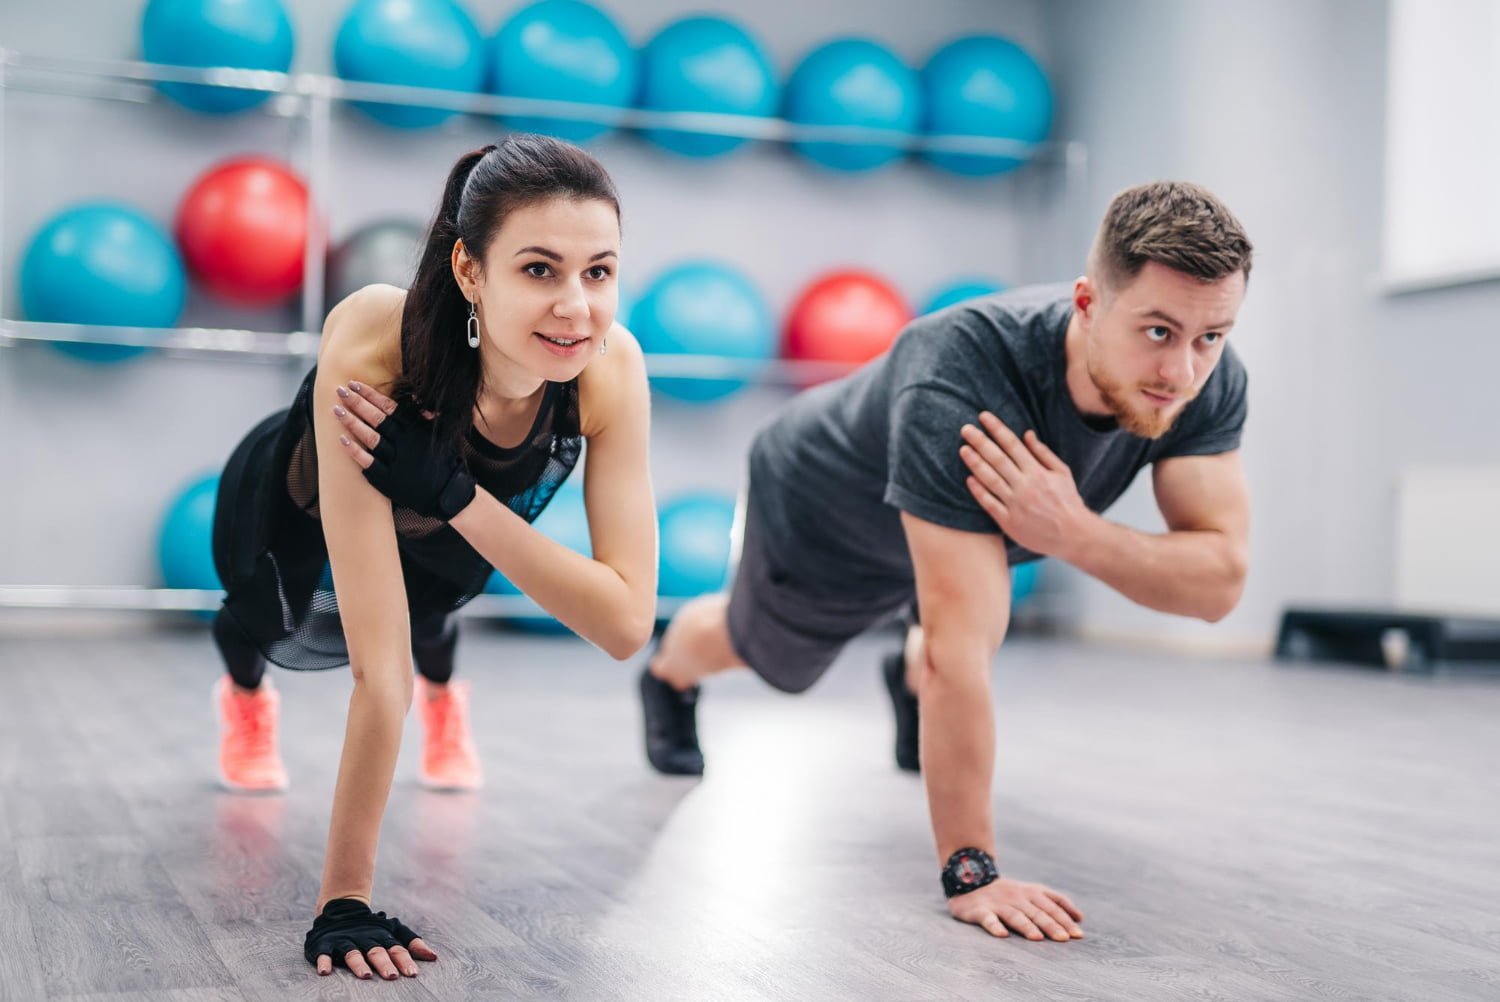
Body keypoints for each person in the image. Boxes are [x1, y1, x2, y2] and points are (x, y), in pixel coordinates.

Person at [637, 180, 1253, 944]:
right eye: (1158, 331)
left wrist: (1075, 533)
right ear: (1087, 303)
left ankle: (909, 652)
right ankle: (668, 675)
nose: (1183, 372)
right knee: (770, 657)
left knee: (952, 619)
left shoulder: (1204, 379)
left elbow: (1219, 582)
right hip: (829, 513)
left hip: (1004, 518)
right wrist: (973, 873)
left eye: (1210, 337)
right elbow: (960, 660)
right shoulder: (960, 372)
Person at [208, 134, 657, 978]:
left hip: (455, 516)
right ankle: (239, 694)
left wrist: (451, 495)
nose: (576, 307)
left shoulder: (612, 366)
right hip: (296, 507)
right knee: (264, 622)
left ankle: (450, 694)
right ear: (469, 272)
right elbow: (378, 671)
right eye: (539, 269)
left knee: (434, 615)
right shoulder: (375, 338)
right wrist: (343, 900)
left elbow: (628, 623)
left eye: (599, 271)